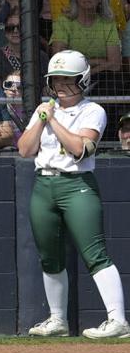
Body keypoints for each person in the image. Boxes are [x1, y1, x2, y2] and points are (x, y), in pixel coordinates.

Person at [17, 51, 130, 338]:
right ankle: (58, 320)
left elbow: (81, 149)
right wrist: (42, 119)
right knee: (49, 256)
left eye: (68, 80)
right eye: (56, 79)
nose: (61, 86)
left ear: (82, 80)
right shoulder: (43, 110)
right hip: (44, 185)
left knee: (95, 254)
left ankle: (118, 321)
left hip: (76, 185)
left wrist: (53, 121)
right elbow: (25, 149)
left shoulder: (93, 111)